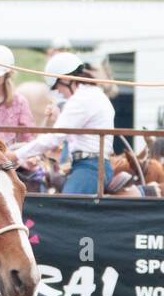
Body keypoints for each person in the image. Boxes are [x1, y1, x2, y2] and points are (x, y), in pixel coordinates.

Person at [9, 51, 115, 195]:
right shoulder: (93, 94)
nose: (59, 92)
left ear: (66, 79)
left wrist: (16, 155)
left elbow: (55, 137)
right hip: (91, 165)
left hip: (89, 167)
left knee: (66, 209)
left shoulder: (81, 100)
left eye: (57, 86)